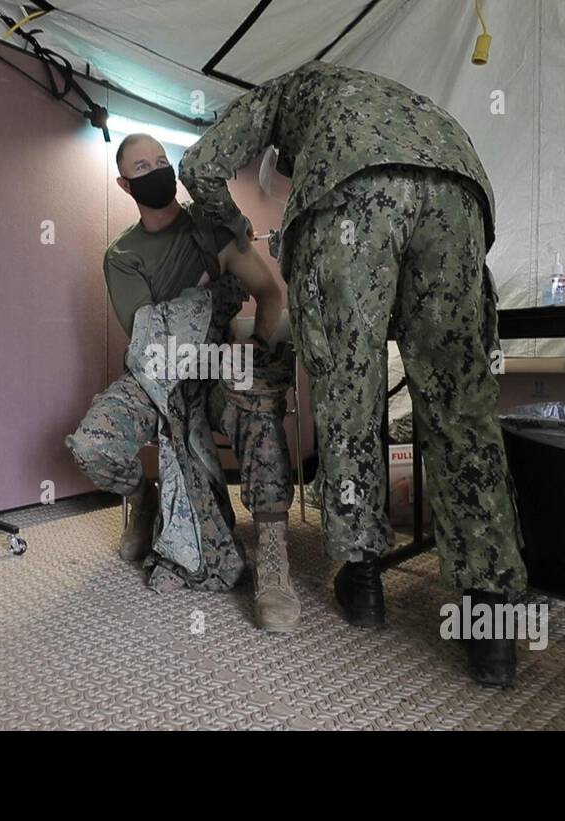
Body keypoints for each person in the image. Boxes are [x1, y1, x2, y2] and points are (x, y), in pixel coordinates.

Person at [180, 61, 528, 686]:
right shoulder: (397, 95)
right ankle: (491, 622)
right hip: (459, 186)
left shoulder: (288, 87)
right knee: (461, 405)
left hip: (350, 198)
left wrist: (232, 225)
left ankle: (364, 577)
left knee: (349, 394)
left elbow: (200, 164)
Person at [65, 133, 301, 632]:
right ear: (125, 184)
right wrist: (206, 297)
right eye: (142, 166)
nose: (156, 171)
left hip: (215, 367)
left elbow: (269, 294)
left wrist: (253, 353)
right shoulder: (123, 254)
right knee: (93, 444)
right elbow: (148, 337)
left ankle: (273, 554)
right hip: (157, 376)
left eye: (161, 161)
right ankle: (145, 497)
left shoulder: (211, 229)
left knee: (258, 410)